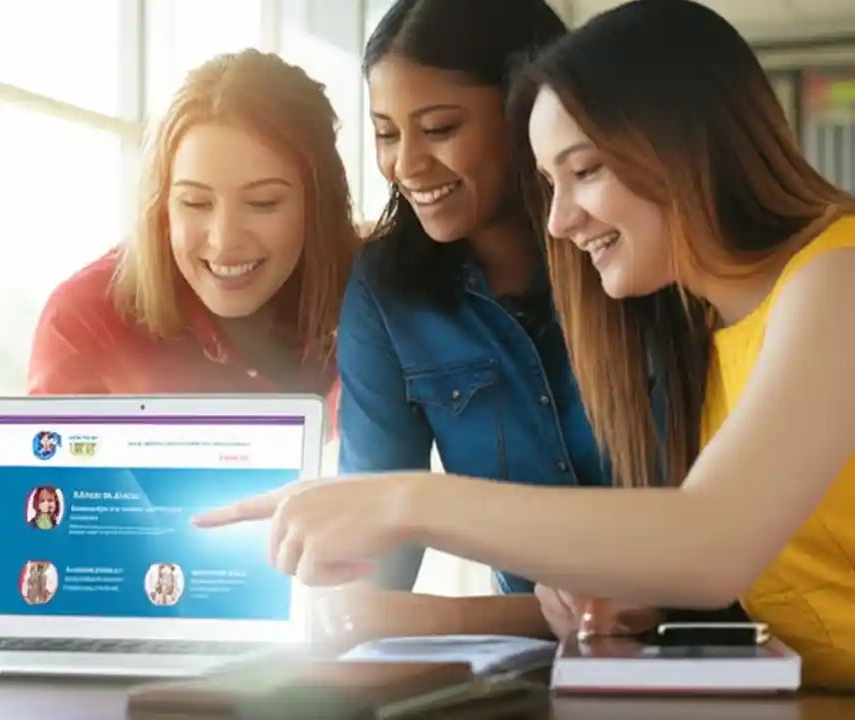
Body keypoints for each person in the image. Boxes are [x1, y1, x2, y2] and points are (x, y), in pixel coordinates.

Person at [195, 0, 855, 688]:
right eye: (550, 181)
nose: (562, 220)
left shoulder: (838, 276)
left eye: (587, 170)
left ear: (681, 145)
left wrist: (403, 501)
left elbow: (714, 543)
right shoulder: (728, 328)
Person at [329, 0, 618, 640]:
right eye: (385, 132)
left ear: (528, 114)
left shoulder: (630, 255)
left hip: (711, 649)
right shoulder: (386, 292)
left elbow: (694, 559)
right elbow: (375, 534)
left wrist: (450, 617)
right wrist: (344, 605)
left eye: (437, 128)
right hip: (527, 672)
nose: (406, 165)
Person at [26, 49, 359, 407]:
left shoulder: (370, 292)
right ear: (162, 207)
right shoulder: (84, 318)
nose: (224, 239)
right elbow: (44, 459)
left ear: (319, 204)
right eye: (195, 203)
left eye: (263, 203)